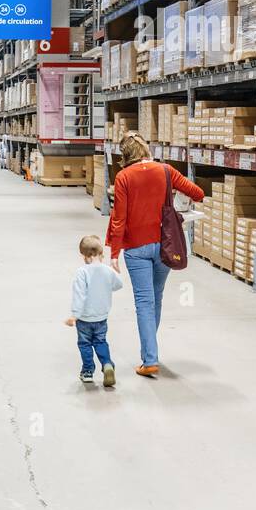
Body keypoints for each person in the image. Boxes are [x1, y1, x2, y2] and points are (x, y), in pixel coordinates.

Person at [106, 132, 204, 378]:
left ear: (125, 156)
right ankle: (150, 351)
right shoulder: (166, 171)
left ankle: (150, 358)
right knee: (155, 299)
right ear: (146, 149)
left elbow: (119, 218)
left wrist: (114, 253)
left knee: (144, 303)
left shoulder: (124, 177)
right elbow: (198, 193)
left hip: (136, 249)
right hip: (164, 246)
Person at [66, 234, 122, 386]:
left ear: (84, 256)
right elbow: (118, 285)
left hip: (84, 319)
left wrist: (74, 315)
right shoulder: (107, 270)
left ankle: (88, 371)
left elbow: (79, 295)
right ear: (101, 254)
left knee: (85, 344)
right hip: (101, 317)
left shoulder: (82, 272)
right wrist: (112, 275)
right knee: (100, 341)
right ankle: (107, 364)